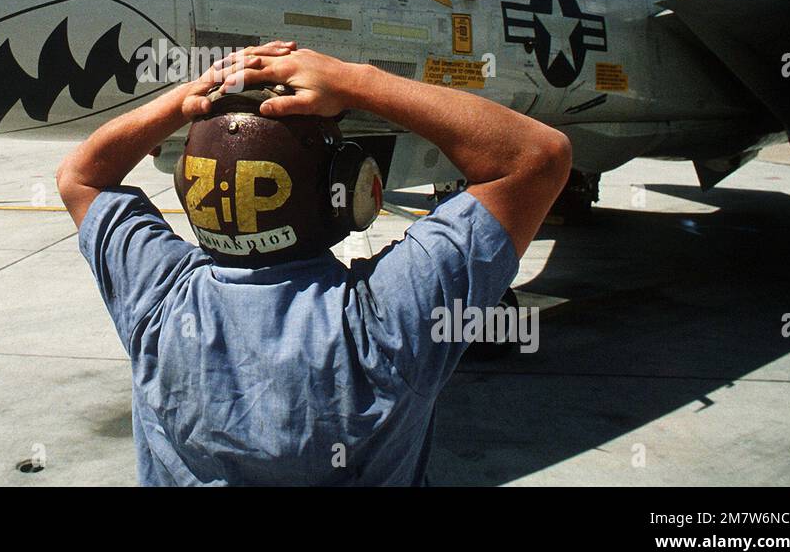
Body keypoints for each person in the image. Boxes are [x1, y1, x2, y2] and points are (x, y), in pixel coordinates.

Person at [56, 41, 571, 485]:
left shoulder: (158, 301)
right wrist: (355, 81)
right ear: (349, 193)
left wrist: (192, 97)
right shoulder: (387, 321)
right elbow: (538, 157)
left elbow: (81, 177)